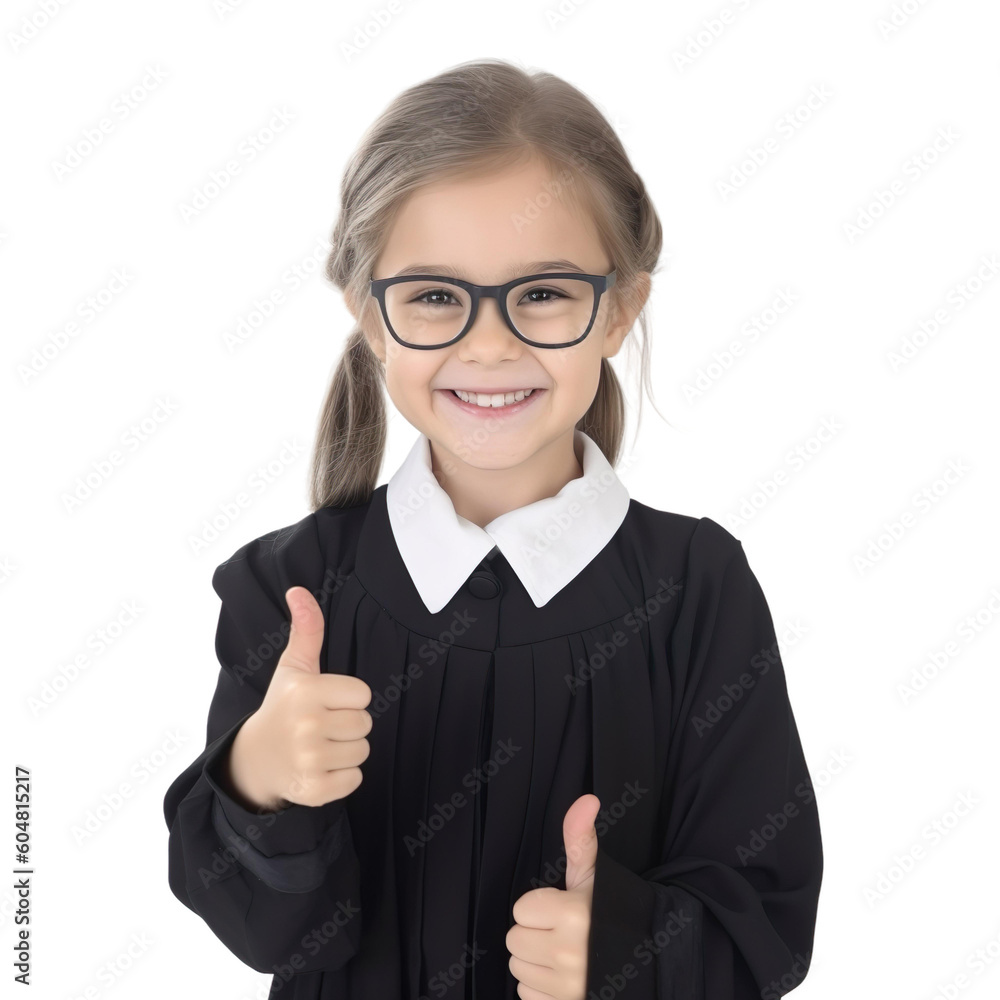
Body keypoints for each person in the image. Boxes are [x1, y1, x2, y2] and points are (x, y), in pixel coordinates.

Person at [162, 58, 823, 1000]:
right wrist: (260, 782)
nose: (489, 343)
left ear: (619, 310)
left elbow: (767, 919)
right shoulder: (288, 587)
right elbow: (276, 937)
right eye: (435, 295)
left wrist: (626, 953)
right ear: (370, 317)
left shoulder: (696, 590)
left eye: (543, 292)